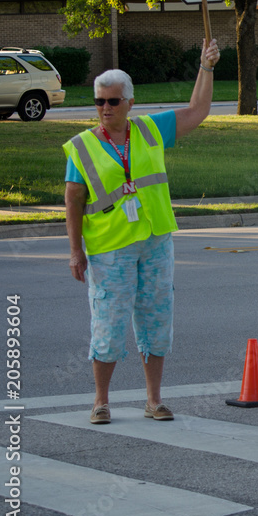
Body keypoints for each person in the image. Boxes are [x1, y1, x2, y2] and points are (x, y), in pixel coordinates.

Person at [64, 39, 221, 425]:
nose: (104, 109)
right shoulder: (82, 147)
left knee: (155, 319)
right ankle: (101, 401)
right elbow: (73, 201)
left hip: (155, 241)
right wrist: (75, 251)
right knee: (108, 322)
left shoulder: (151, 129)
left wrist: (206, 67)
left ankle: (154, 400)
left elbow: (198, 110)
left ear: (129, 103)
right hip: (110, 247)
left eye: (112, 102)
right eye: (99, 101)